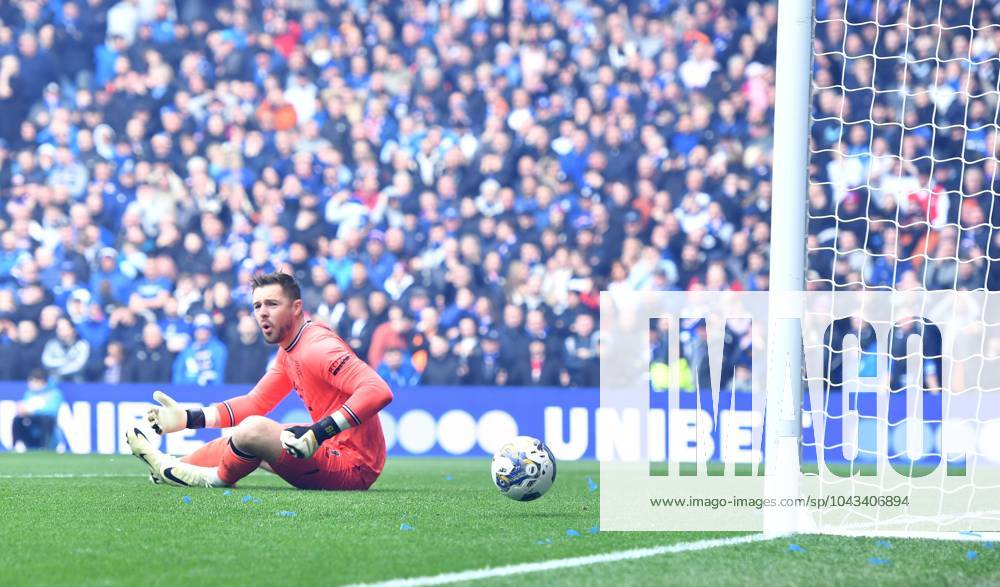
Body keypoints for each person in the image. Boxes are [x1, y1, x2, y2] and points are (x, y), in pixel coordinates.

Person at [126, 271, 394, 491]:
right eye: (257, 306)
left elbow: (377, 390)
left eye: (272, 304)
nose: (262, 313)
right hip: (331, 449)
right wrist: (189, 418)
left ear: (296, 308)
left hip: (352, 465)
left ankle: (214, 479)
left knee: (253, 430)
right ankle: (168, 471)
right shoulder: (290, 349)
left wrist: (318, 432)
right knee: (245, 436)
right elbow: (256, 402)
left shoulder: (318, 347)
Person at [12, 369, 63, 451]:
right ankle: (17, 445)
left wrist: (33, 411)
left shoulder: (54, 393)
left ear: (40, 381)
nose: (30, 384)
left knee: (46, 420)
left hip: (46, 425)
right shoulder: (29, 393)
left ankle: (45, 447)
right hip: (31, 425)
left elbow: (52, 411)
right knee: (18, 419)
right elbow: (24, 408)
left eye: (32, 381)